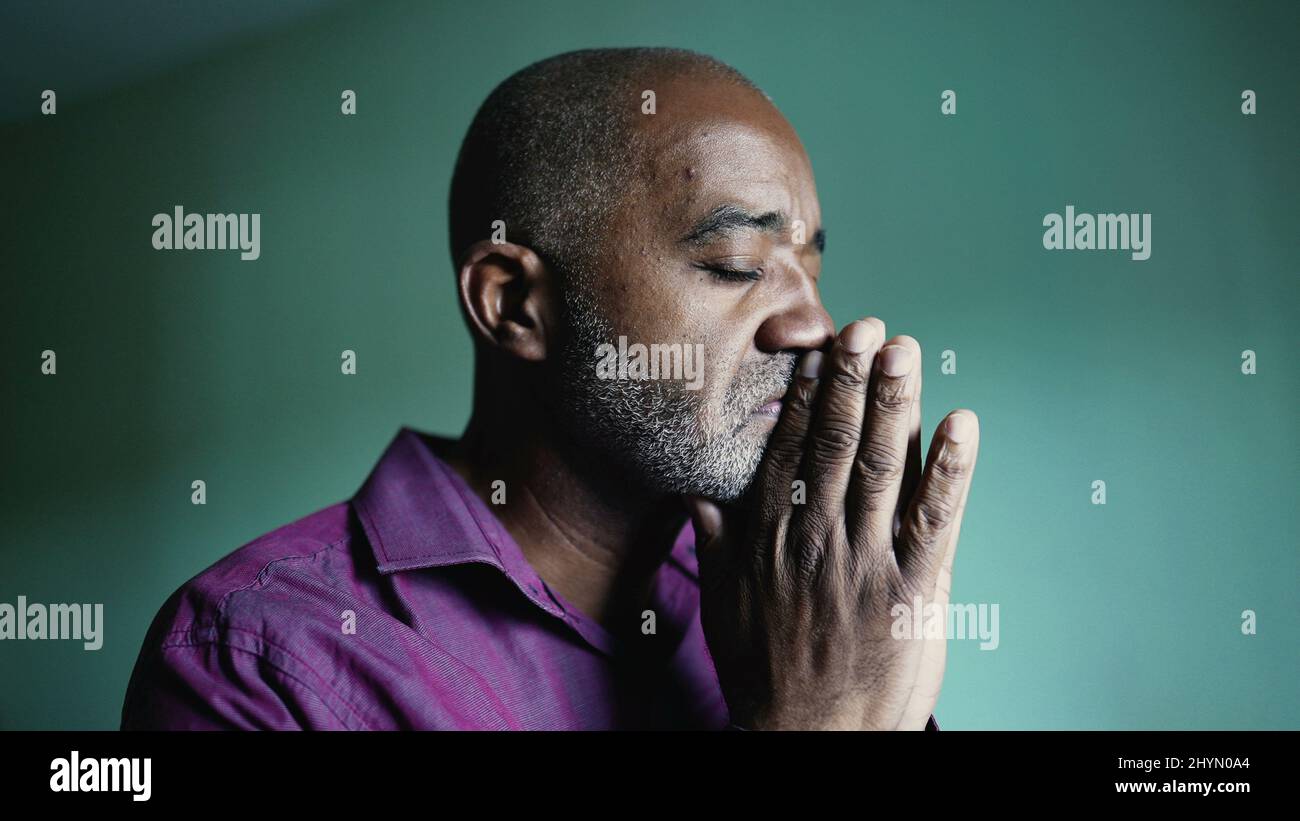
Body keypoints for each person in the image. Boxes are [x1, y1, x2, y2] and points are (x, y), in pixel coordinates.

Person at [122, 47, 980, 730]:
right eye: (736, 265)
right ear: (515, 305)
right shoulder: (257, 656)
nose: (812, 324)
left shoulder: (800, 594)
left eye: (809, 267)